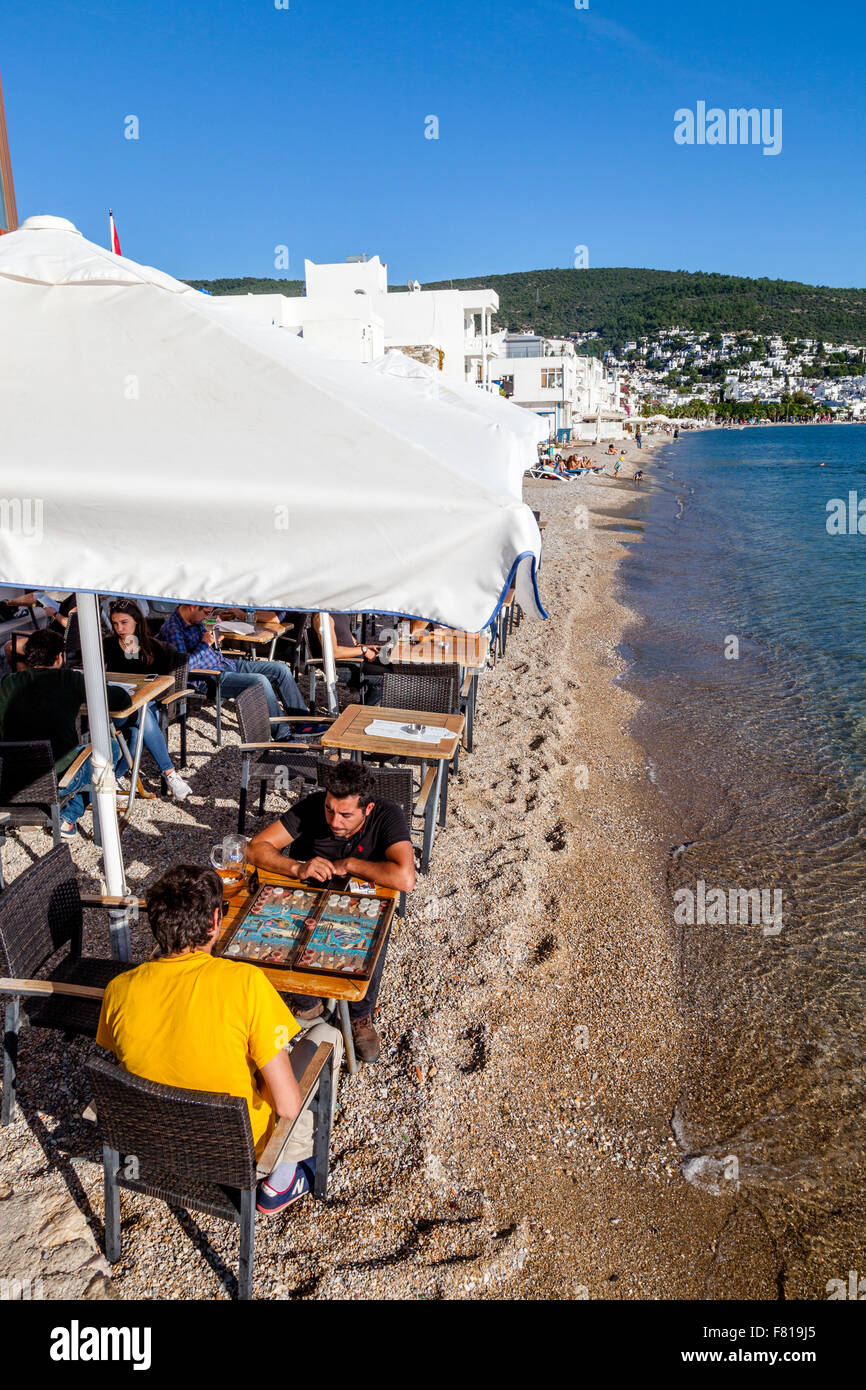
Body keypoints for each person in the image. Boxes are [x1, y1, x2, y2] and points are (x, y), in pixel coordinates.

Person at [96, 864, 343, 1214]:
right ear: (215, 920)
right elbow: (287, 1106)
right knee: (326, 1033)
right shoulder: (245, 983)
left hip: (152, 1140)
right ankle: (282, 1178)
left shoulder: (118, 989)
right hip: (236, 1149)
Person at [247, 759, 415, 1063]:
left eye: (346, 814)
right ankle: (308, 1002)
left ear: (368, 809)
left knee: (374, 934)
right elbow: (255, 848)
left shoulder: (387, 813)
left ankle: (360, 1014)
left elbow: (405, 878)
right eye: (330, 809)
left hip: (361, 903)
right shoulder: (312, 807)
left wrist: (350, 865)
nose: (334, 821)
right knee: (275, 926)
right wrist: (297, 867)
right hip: (309, 893)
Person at [0, 629, 127, 840]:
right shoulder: (69, 679)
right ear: (60, 657)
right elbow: (121, 699)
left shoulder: (7, 683)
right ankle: (68, 816)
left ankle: (57, 815)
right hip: (58, 780)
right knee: (110, 748)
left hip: (13, 780)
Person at [158, 604, 309, 740]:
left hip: (225, 663)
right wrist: (205, 644)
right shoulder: (174, 629)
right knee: (259, 681)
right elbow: (184, 666)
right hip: (208, 678)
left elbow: (205, 648)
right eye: (206, 612)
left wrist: (213, 642)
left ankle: (303, 723)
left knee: (279, 669)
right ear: (192, 606)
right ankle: (282, 735)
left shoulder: (194, 621)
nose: (207, 617)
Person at [103, 599, 192, 800]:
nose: (119, 628)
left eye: (124, 622)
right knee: (142, 714)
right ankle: (170, 774)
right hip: (117, 709)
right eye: (115, 623)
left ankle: (115, 777)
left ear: (136, 621)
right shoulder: (108, 645)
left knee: (137, 732)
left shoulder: (153, 648)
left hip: (143, 707)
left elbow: (162, 685)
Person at [310, 612, 385, 705]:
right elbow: (333, 652)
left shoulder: (339, 611)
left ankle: (364, 704)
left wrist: (363, 646)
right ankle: (362, 710)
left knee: (391, 665)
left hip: (356, 661)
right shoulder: (322, 617)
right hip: (341, 667)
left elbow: (348, 637)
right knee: (386, 677)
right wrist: (363, 650)